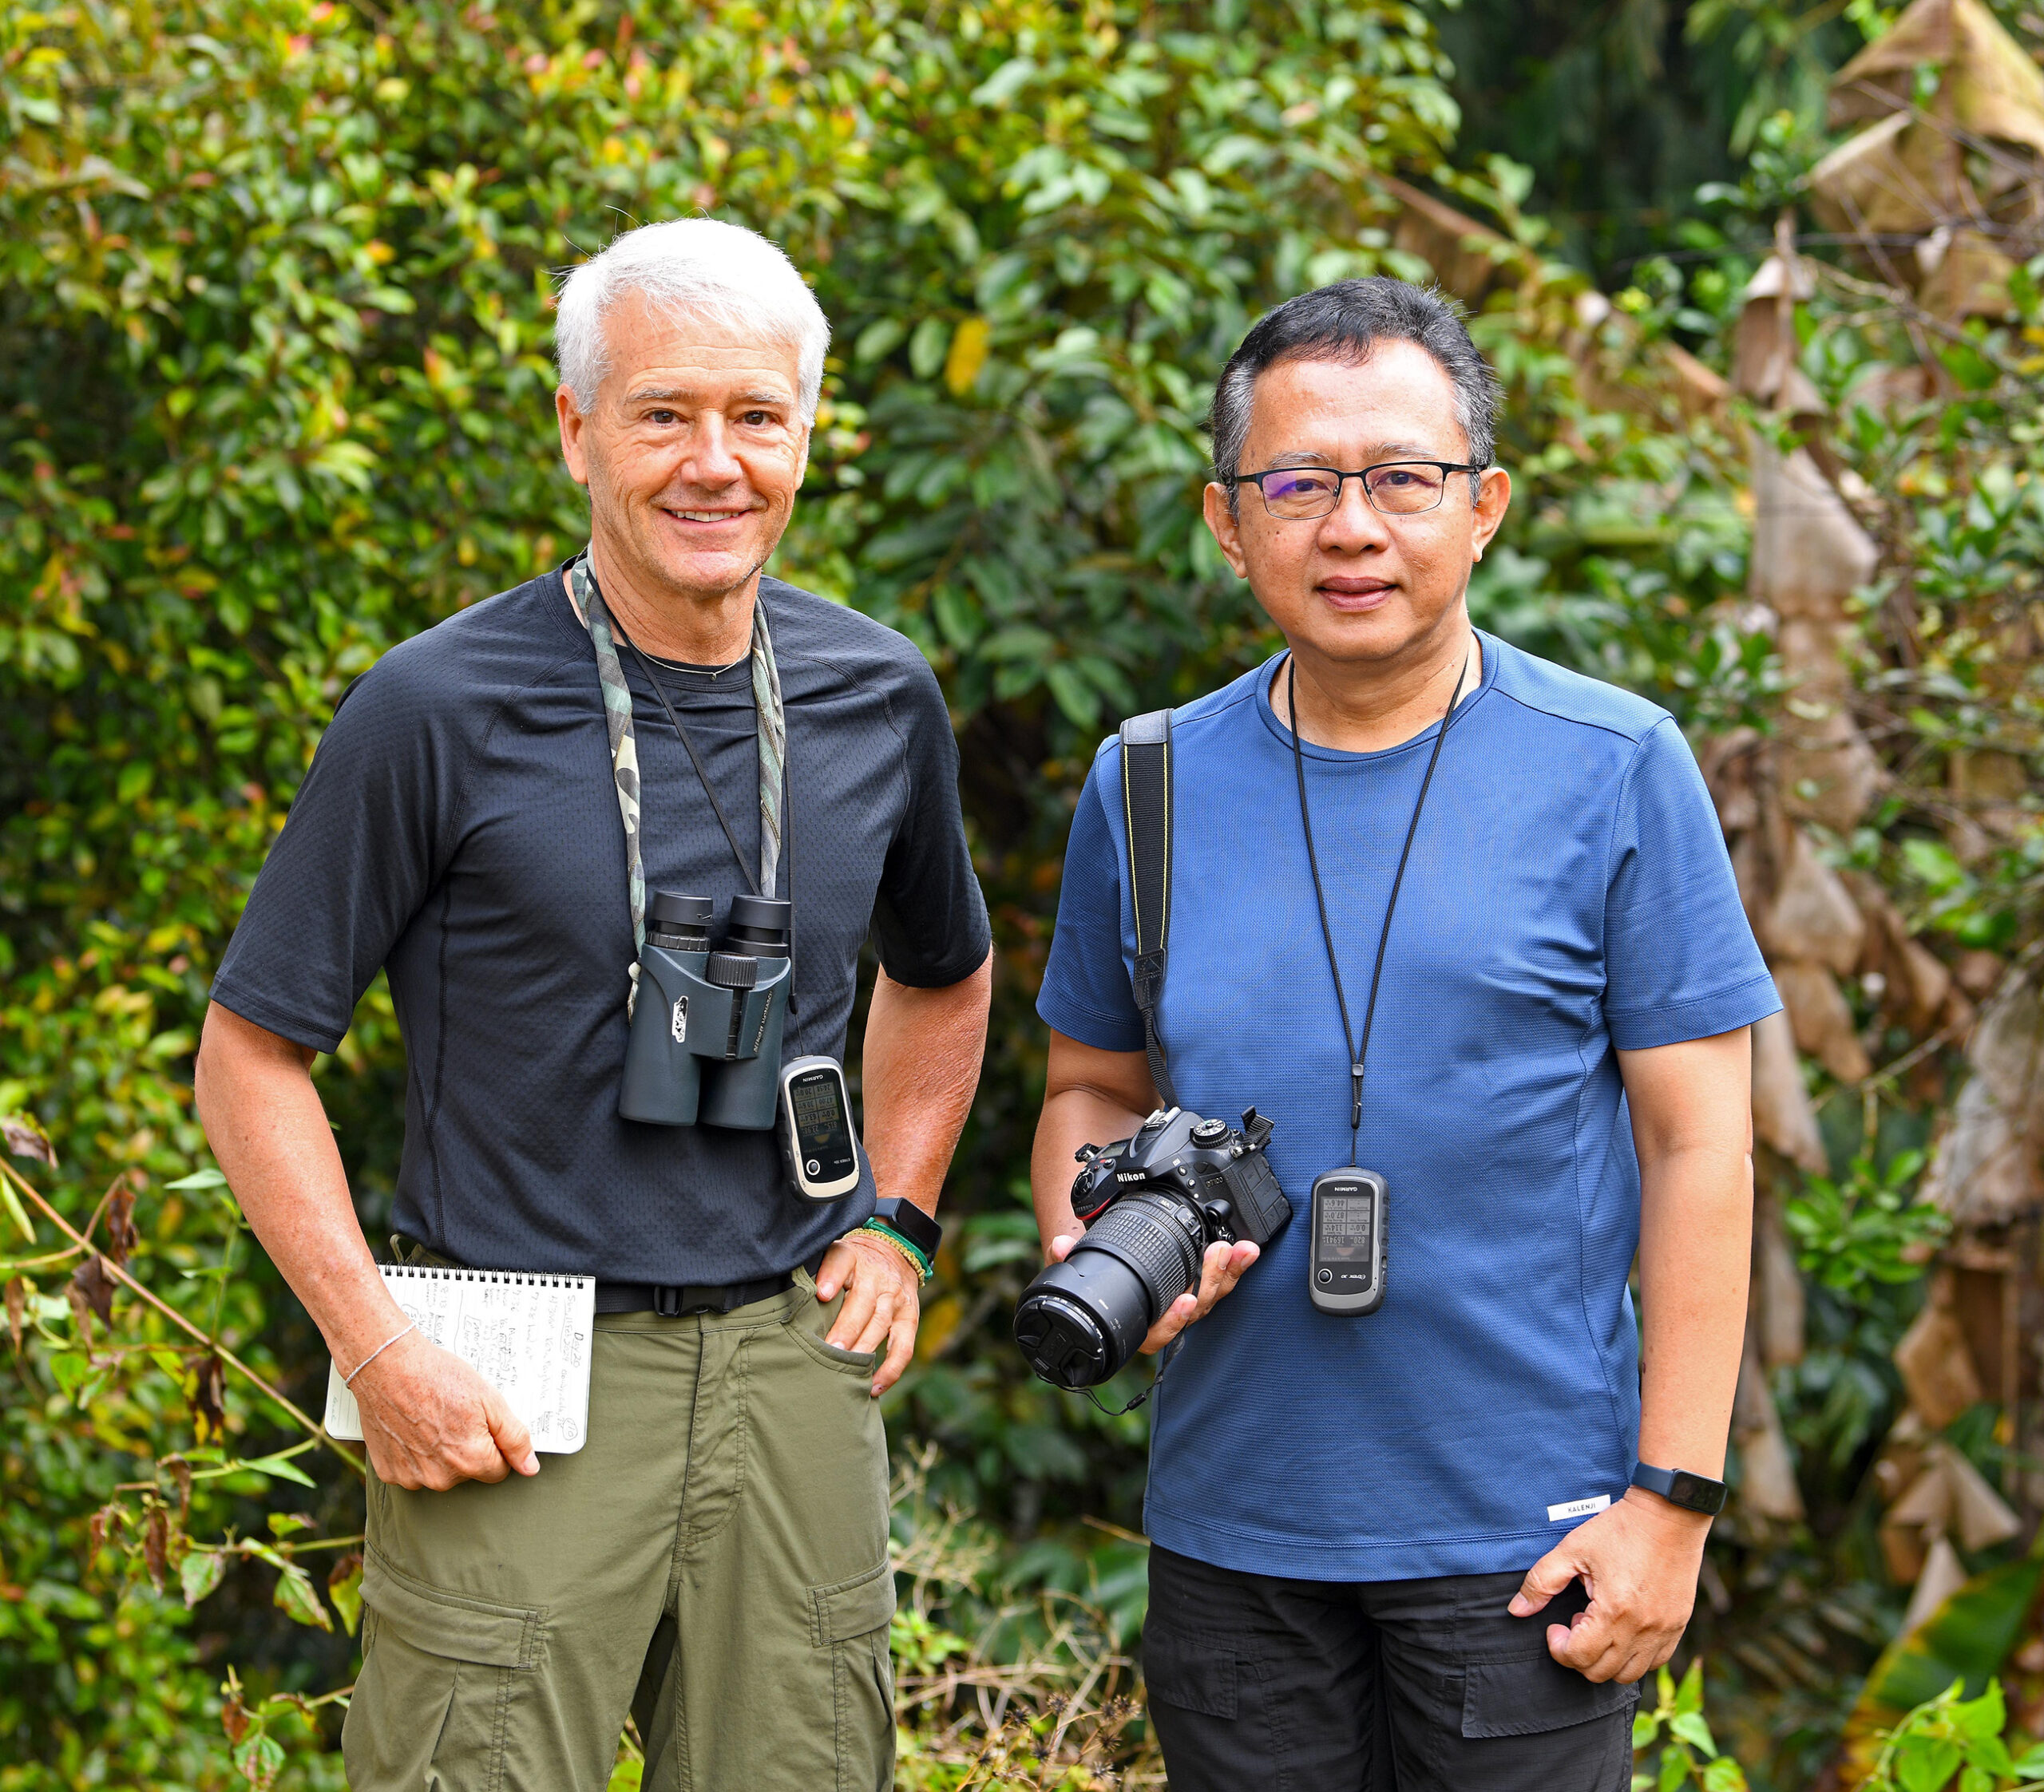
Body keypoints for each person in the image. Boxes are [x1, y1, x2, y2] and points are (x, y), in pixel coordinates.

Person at [194, 218, 992, 1792]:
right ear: (576, 430)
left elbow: (945, 975)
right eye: (662, 413)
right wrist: (375, 1350)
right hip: (511, 1368)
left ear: (807, 431)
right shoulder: (437, 707)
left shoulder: (875, 692)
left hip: (789, 1357)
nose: (715, 463)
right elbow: (250, 1055)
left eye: (755, 416)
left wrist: (896, 1219)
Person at [1030, 278, 1777, 1790]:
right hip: (1237, 1532)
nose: (1352, 527)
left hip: (1530, 1538)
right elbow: (1087, 1086)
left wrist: (1673, 1503)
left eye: (1403, 480)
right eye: (1297, 483)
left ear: (1485, 505)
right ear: (1227, 521)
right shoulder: (1149, 783)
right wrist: (1090, 1247)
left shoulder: (1617, 764)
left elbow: (1702, 1141)